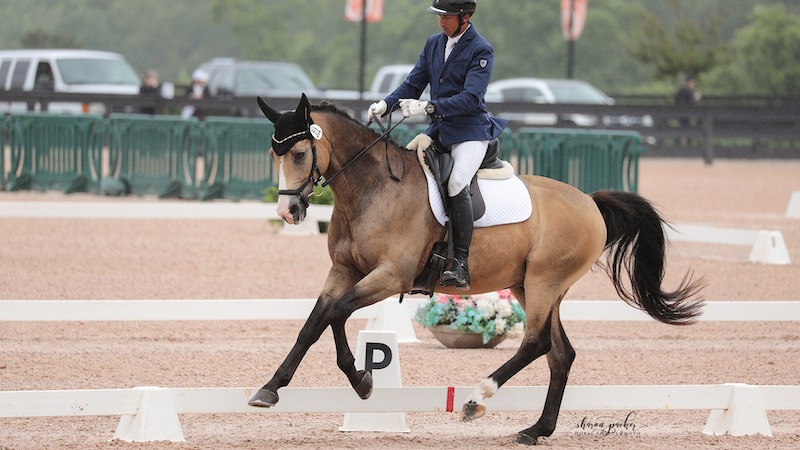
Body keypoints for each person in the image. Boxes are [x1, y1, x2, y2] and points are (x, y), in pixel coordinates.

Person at [368, 0, 507, 290]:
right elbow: (412, 84)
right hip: (440, 130)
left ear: (465, 17)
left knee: (457, 182)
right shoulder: (434, 43)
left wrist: (429, 107)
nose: (442, 22)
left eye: (448, 17)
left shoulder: (481, 49)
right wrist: (386, 103)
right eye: (440, 17)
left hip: (470, 131)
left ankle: (460, 262)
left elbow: (471, 98)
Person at [674, 76, 697, 145]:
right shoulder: (688, 91)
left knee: (681, 129)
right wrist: (695, 98)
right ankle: (689, 145)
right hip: (686, 113)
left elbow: (676, 101)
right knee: (688, 129)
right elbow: (691, 103)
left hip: (679, 113)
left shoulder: (680, 91)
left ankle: (677, 144)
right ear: (689, 82)